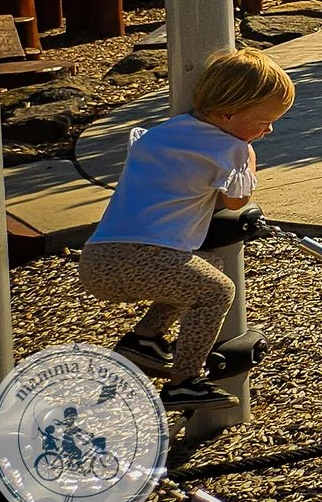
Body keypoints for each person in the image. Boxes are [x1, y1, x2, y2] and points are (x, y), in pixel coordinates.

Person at [78, 47, 292, 412]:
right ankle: (185, 381)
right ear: (228, 114)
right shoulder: (231, 147)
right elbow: (236, 201)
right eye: (264, 121)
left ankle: (145, 340)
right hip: (146, 256)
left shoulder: (165, 132)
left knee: (209, 266)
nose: (268, 130)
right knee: (217, 292)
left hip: (99, 257)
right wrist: (249, 162)